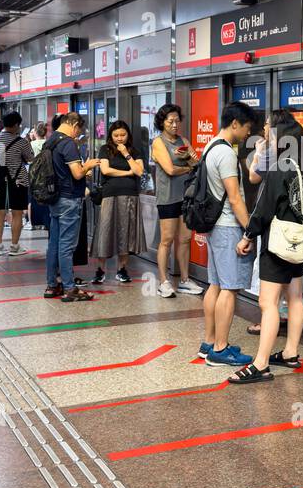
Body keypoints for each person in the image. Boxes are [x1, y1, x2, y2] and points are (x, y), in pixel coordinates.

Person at [229, 110, 303, 384]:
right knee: (294, 298)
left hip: (277, 242)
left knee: (267, 303)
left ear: (279, 133)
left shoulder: (280, 166)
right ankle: (290, 352)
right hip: (299, 243)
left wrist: (247, 236)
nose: (265, 130)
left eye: (268, 127)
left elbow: (263, 208)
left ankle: (260, 364)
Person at [199, 103, 255, 367]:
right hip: (228, 227)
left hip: (213, 227)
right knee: (230, 289)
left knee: (215, 285)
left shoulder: (211, 146)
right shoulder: (227, 154)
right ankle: (220, 349)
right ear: (235, 123)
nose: (247, 134)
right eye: (246, 128)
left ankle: (210, 342)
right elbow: (235, 198)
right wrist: (249, 229)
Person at [43, 112, 100, 302]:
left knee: (54, 244)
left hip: (55, 198)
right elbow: (76, 174)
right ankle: (69, 288)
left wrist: (81, 171)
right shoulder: (68, 143)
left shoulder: (49, 141)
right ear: (73, 124)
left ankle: (52, 285)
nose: (78, 134)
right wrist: (88, 166)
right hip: (69, 199)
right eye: (79, 130)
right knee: (67, 246)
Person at [151, 103, 201, 297]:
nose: (174, 125)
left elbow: (197, 164)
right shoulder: (158, 142)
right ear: (162, 122)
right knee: (167, 240)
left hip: (186, 197)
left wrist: (188, 156)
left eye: (177, 121)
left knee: (186, 239)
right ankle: (163, 281)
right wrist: (188, 167)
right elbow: (170, 170)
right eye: (170, 121)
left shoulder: (183, 140)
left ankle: (185, 280)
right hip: (167, 197)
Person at [91, 120, 145, 283]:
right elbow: (105, 170)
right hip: (110, 194)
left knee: (125, 232)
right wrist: (128, 173)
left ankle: (122, 269)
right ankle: (100, 270)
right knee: (105, 230)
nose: (119, 138)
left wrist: (126, 155)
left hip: (130, 195)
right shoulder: (105, 149)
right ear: (110, 136)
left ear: (128, 135)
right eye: (116, 135)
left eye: (122, 135)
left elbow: (139, 171)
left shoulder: (134, 151)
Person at [0, 111, 34, 257]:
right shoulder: (21, 141)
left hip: (0, 180)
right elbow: (30, 158)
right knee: (17, 213)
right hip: (18, 180)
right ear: (15, 125)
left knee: (0, 212)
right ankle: (14, 247)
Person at [28, 122, 50, 233]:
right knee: (46, 198)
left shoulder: (31, 145)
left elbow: (28, 159)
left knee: (33, 199)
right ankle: (46, 222)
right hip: (46, 174)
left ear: (35, 132)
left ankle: (35, 222)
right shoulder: (48, 143)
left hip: (34, 175)